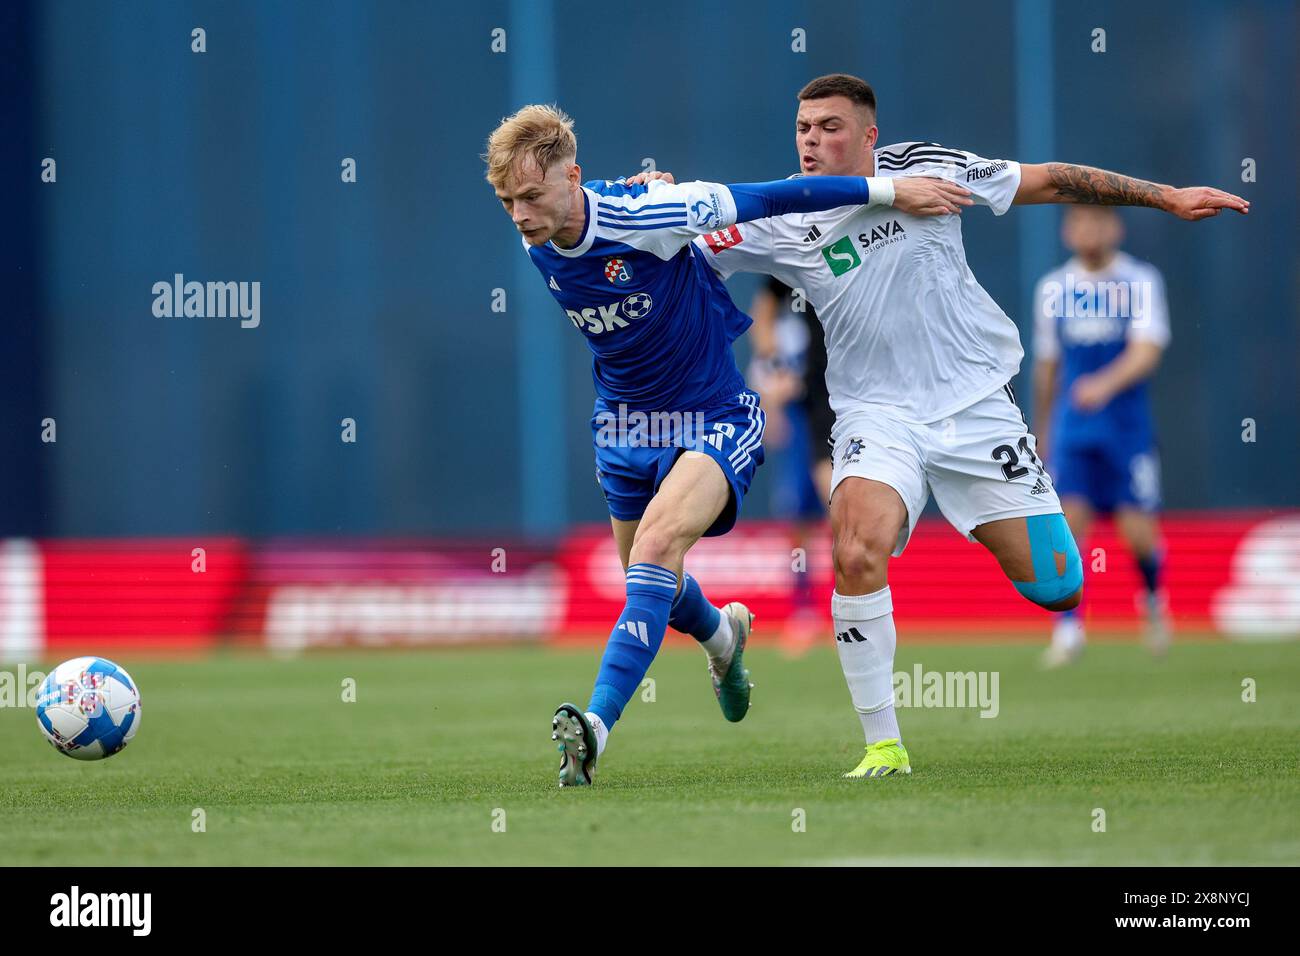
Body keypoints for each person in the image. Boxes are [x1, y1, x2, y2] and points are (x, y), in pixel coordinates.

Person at [637, 72, 1247, 778]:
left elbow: (1048, 181)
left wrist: (1167, 197)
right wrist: (655, 202)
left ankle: (990, 531)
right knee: (857, 544)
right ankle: (884, 745)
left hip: (976, 407)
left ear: (869, 135)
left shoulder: (928, 169)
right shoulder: (783, 215)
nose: (812, 141)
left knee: (1059, 584)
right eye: (803, 129)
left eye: (830, 127)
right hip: (875, 415)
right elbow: (677, 244)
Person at [483, 103, 968, 786]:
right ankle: (721, 639)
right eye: (506, 200)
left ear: (572, 177)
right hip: (624, 427)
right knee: (651, 580)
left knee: (653, 551)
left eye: (531, 196)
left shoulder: (654, 212)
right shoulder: (542, 234)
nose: (519, 214)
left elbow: (773, 197)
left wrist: (889, 190)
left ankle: (592, 728)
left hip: (712, 414)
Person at [1032, 207, 1173, 666]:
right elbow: (1047, 366)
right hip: (1075, 430)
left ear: (1116, 227)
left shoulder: (1140, 280)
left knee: (1138, 533)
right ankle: (1068, 629)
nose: (1088, 231)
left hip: (1126, 429)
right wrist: (1041, 431)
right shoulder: (1054, 288)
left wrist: (1104, 385)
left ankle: (1153, 603)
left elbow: (1147, 351)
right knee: (1068, 528)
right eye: (1080, 222)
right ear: (1067, 231)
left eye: (1098, 221)